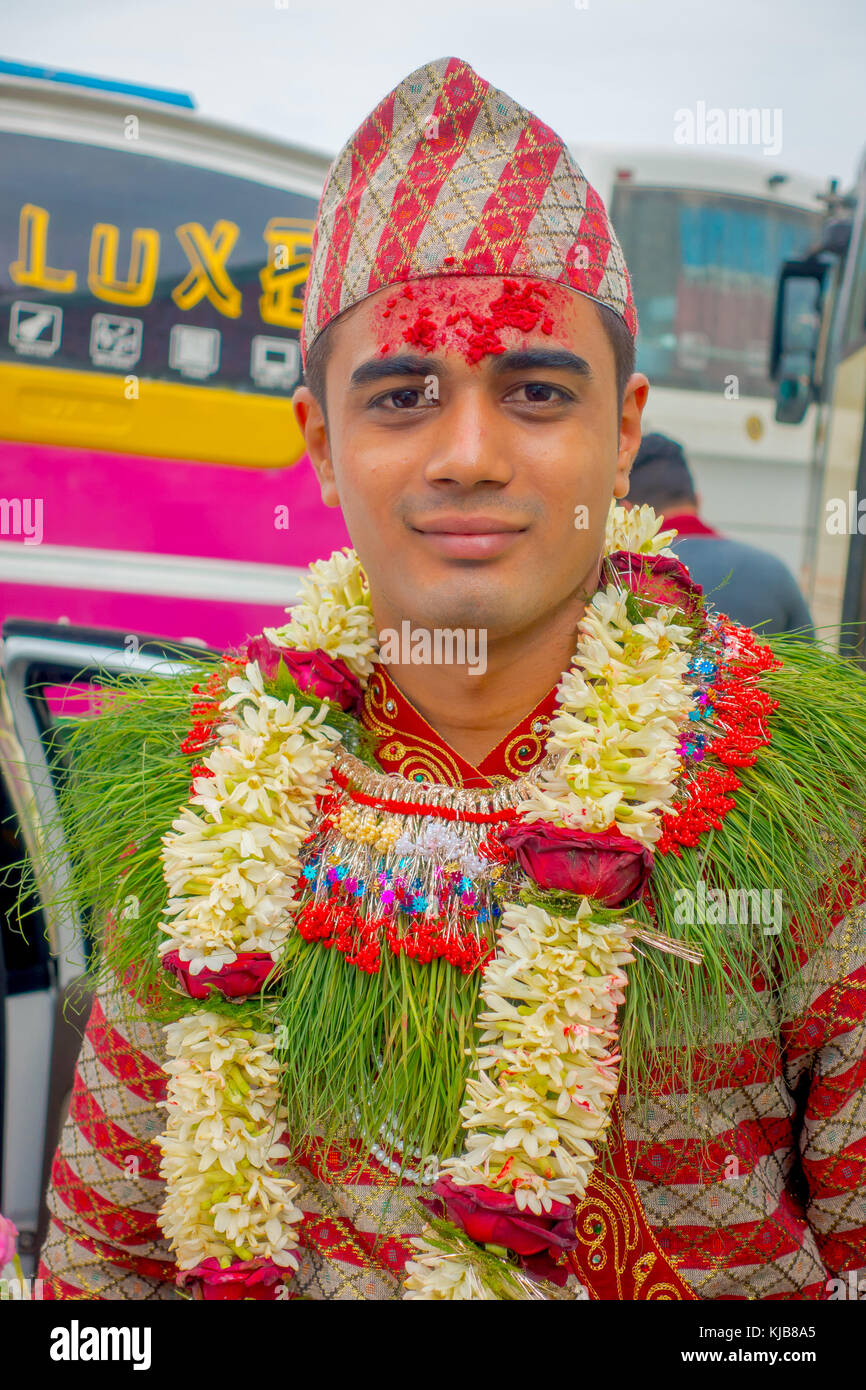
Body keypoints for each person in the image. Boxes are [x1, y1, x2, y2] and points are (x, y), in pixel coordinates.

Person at [34, 55, 866, 1302]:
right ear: (320, 443)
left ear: (625, 429)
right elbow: (98, 1287)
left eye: (534, 392)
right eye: (402, 395)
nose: (468, 454)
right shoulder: (201, 799)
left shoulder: (802, 795)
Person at [628, 433, 815, 637]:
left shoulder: (622, 576)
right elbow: (818, 664)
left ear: (628, 511)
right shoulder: (774, 573)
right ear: (698, 501)